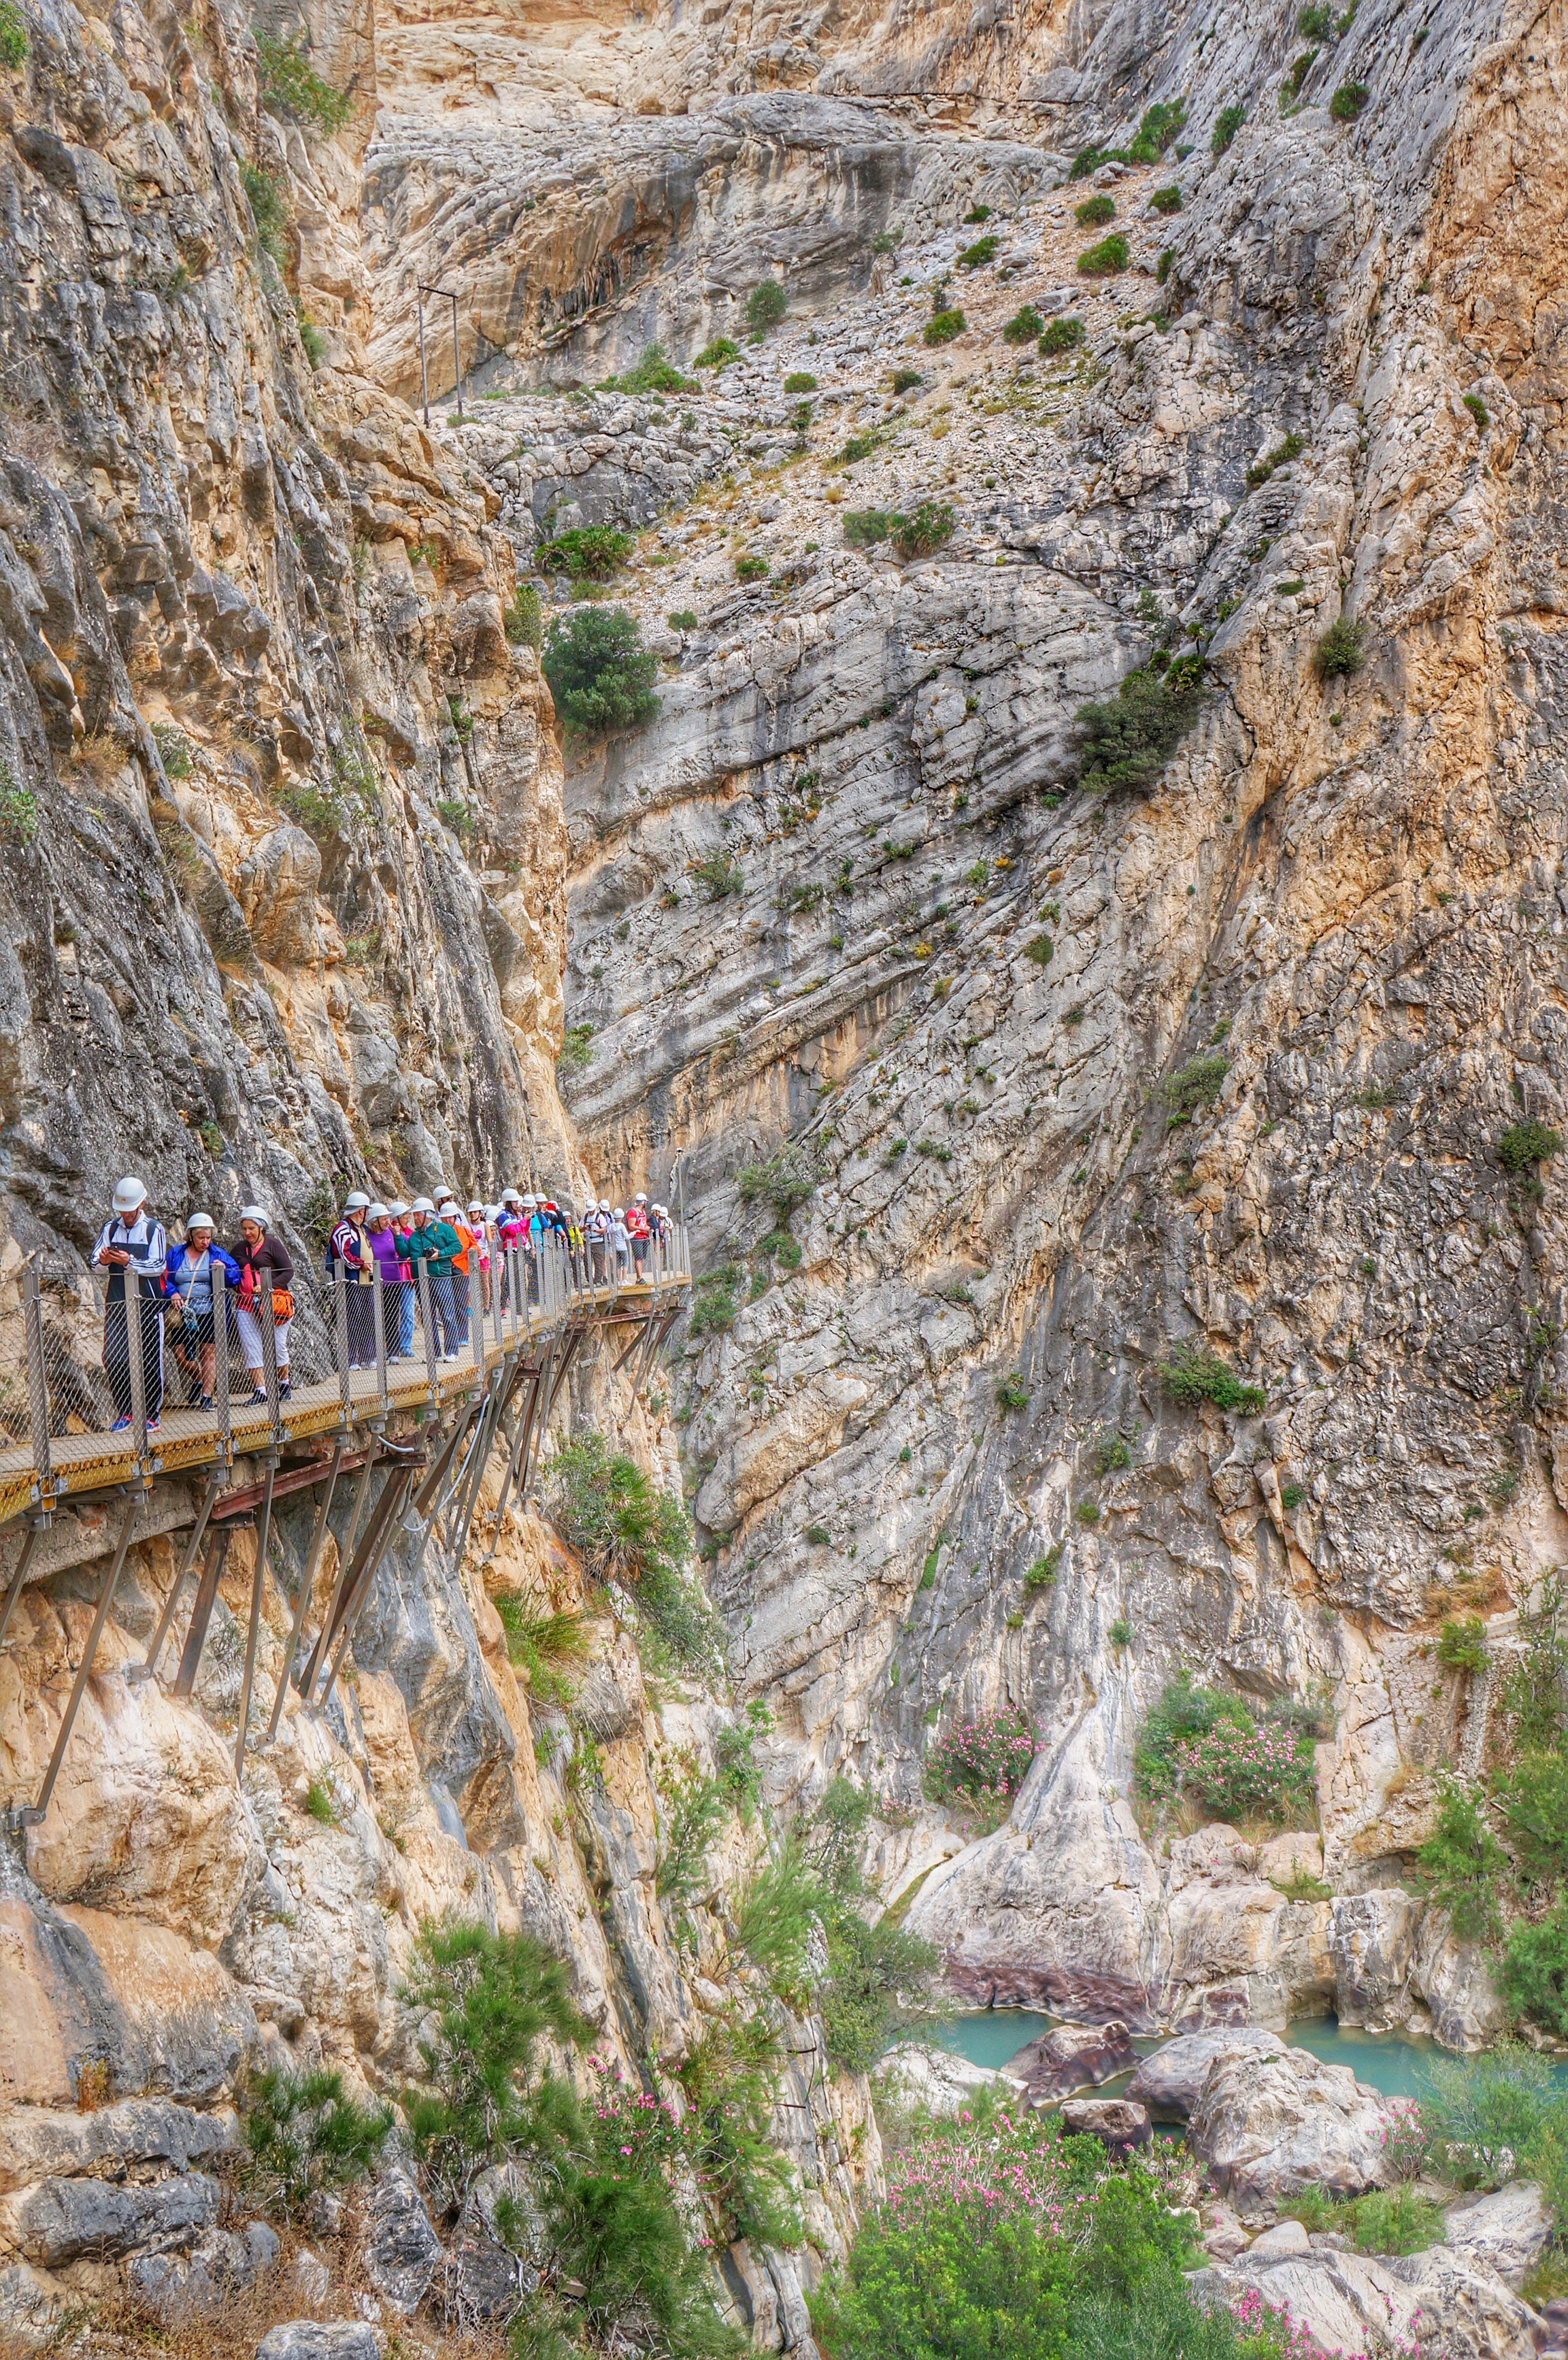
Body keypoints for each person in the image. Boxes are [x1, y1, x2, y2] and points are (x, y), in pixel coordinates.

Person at [91, 1178, 168, 1431]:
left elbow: (158, 1266)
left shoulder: (153, 1229)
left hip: (148, 1305)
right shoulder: (111, 1228)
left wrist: (129, 1261)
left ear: (141, 1204)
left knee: (148, 1359)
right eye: (121, 1210)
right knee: (113, 1357)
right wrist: (104, 1260)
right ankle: (126, 1411)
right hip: (117, 1303)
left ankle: (152, 1414)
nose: (125, 1214)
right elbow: (95, 1264)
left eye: (129, 1209)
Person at [163, 1214, 241, 1410]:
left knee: (208, 1352)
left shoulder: (218, 1254)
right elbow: (164, 1278)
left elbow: (235, 1278)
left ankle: (207, 1396)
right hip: (183, 1312)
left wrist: (224, 1270)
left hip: (210, 1310)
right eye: (201, 1238)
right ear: (190, 1235)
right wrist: (172, 1293)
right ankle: (198, 1378)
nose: (205, 1242)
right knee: (181, 1354)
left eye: (208, 1237)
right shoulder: (175, 1254)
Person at [231, 1206, 295, 1403]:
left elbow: (288, 1272)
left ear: (261, 1228)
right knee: (252, 1348)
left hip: (274, 1303)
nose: (247, 1233)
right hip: (246, 1304)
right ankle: (261, 1390)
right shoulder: (240, 1249)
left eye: (251, 1228)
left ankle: (283, 1383)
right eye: (245, 1229)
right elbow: (230, 1268)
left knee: (277, 1345)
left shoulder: (272, 1245)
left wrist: (267, 1286)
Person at [405, 1197, 463, 1358]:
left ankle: (452, 1352)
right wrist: (396, 1236)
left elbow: (457, 1247)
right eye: (414, 1215)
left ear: (428, 1215)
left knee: (447, 1315)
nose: (415, 1218)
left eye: (418, 1215)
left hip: (441, 1277)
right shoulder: (415, 1236)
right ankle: (435, 1354)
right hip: (421, 1280)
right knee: (428, 1317)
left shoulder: (444, 1229)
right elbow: (404, 1253)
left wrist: (440, 1254)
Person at [328, 1191, 376, 1368]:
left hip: (366, 1282)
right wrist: (361, 1263)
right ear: (361, 1211)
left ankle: (367, 1356)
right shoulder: (343, 1229)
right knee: (353, 1319)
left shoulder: (360, 1230)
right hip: (352, 1282)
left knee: (367, 1319)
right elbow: (342, 1254)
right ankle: (351, 1359)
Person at [365, 1203, 404, 1356]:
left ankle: (394, 1352)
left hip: (394, 1282)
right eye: (385, 1219)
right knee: (374, 1318)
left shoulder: (391, 1233)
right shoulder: (366, 1235)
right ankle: (375, 1352)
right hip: (375, 1283)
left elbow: (405, 1248)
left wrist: (398, 1237)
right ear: (375, 1221)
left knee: (392, 1317)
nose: (388, 1221)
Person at [387, 1200, 416, 1355]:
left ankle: (405, 1345)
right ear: (396, 1218)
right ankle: (391, 1346)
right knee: (391, 1313)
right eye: (405, 1215)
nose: (408, 1218)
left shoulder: (411, 1234)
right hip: (392, 1278)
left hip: (407, 1279)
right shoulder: (388, 1234)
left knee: (408, 1313)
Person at [627, 1193, 650, 1280]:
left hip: (643, 1237)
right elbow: (631, 1226)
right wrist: (643, 1229)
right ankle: (639, 1278)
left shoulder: (643, 1212)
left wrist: (646, 1228)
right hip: (637, 1237)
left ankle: (640, 1276)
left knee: (641, 1258)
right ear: (643, 1202)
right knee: (638, 1257)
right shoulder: (633, 1212)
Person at [610, 1205, 630, 1281]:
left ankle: (619, 1280)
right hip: (623, 1247)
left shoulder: (611, 1226)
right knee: (625, 1263)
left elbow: (610, 1237)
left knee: (618, 1264)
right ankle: (624, 1279)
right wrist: (634, 1233)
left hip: (615, 1247)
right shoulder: (621, 1226)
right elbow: (626, 1237)